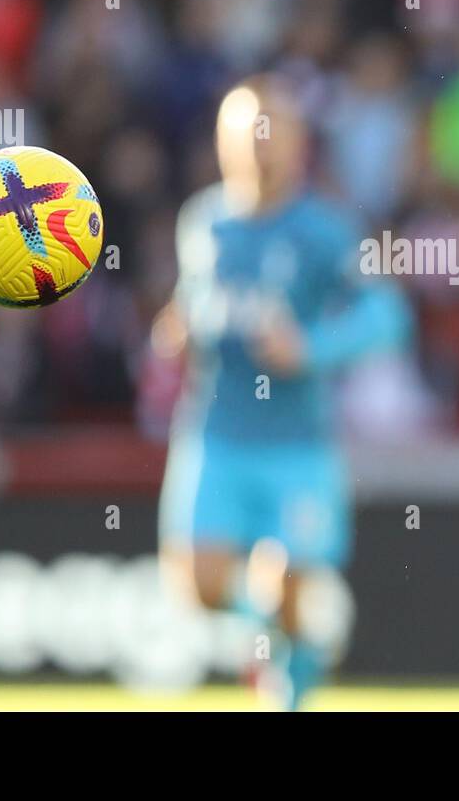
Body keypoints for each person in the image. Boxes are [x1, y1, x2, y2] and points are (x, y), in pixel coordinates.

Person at [156, 75, 411, 709]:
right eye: (243, 133)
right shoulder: (203, 222)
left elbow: (387, 316)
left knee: (289, 592)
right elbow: (194, 306)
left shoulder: (328, 231)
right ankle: (271, 632)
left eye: (271, 132)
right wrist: (176, 331)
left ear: (298, 145)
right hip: (215, 433)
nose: (257, 147)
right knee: (198, 586)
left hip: (297, 443)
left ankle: (290, 695)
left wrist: (311, 349)